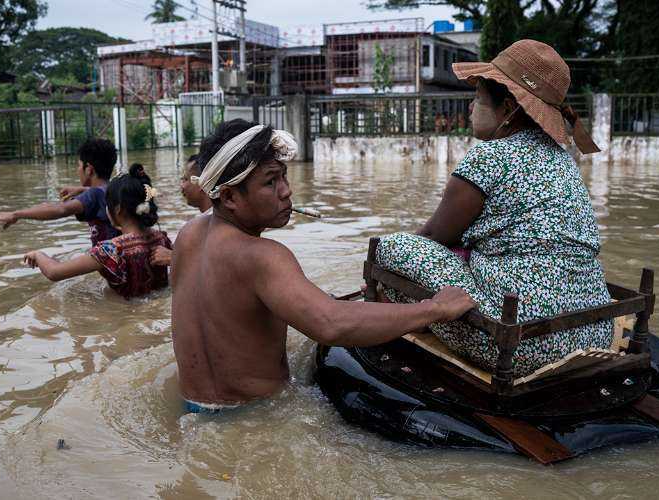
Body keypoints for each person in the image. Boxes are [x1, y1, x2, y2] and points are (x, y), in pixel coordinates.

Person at [169, 119, 476, 413]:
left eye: (284, 176)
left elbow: (234, 314)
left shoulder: (187, 236)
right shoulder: (262, 256)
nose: (286, 190)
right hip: (260, 418)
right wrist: (436, 308)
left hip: (192, 409)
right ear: (229, 196)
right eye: (270, 181)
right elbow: (331, 324)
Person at [374, 39, 611, 378]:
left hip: (520, 345)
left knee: (392, 247)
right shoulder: (563, 158)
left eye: (477, 99)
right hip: (593, 330)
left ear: (509, 109)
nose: (471, 108)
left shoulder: (489, 157)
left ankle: (410, 314)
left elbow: (431, 236)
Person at [23, 164, 172, 300]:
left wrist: (38, 255)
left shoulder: (109, 250)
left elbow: (54, 272)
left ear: (118, 210)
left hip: (123, 316)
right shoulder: (162, 239)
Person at [0, 138, 120, 247]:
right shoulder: (115, 188)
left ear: (89, 170)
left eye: (79, 165)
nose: (77, 170)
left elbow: (59, 210)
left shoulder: (93, 195)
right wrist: (82, 189)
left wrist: (16, 214)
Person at [148, 154, 210, 266]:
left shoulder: (213, 223)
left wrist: (173, 258)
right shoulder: (205, 221)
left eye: (185, 179)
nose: (181, 185)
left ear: (202, 183)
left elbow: (221, 266)